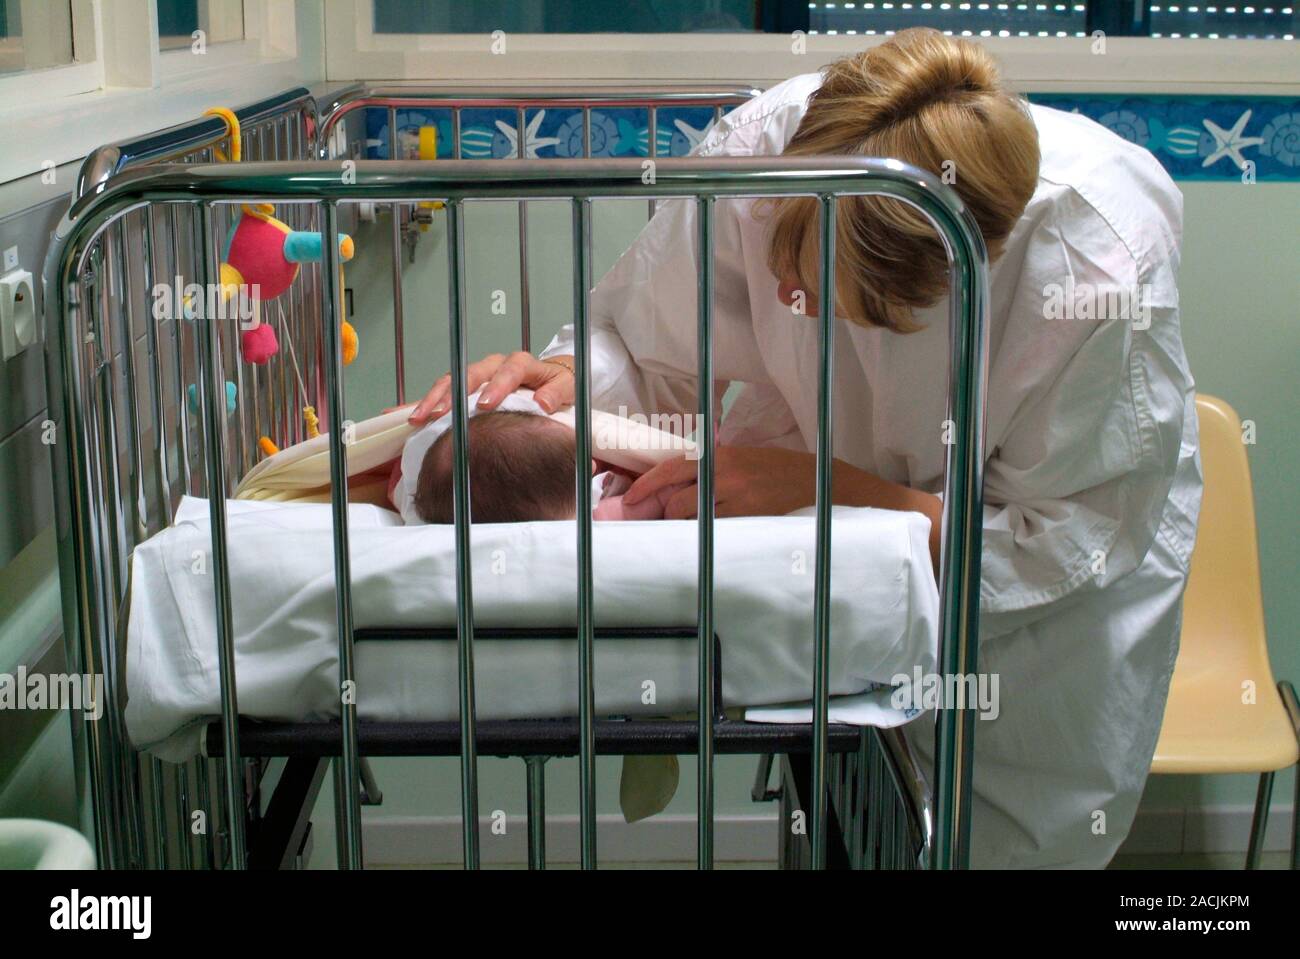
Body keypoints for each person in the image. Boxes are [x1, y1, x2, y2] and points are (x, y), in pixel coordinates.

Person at [410, 28, 1201, 868]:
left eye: (816, 291)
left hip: (1043, 642)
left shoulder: (1092, 268)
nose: (782, 296)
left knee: (997, 846)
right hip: (839, 551)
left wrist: (839, 492)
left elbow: (1068, 542)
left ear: (935, 286)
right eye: (783, 260)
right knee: (848, 820)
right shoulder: (765, 157)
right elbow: (652, 345)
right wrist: (569, 379)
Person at [412, 409, 691, 524]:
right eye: (581, 458)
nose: (595, 463)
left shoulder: (550, 503)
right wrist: (691, 458)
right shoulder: (598, 515)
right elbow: (658, 496)